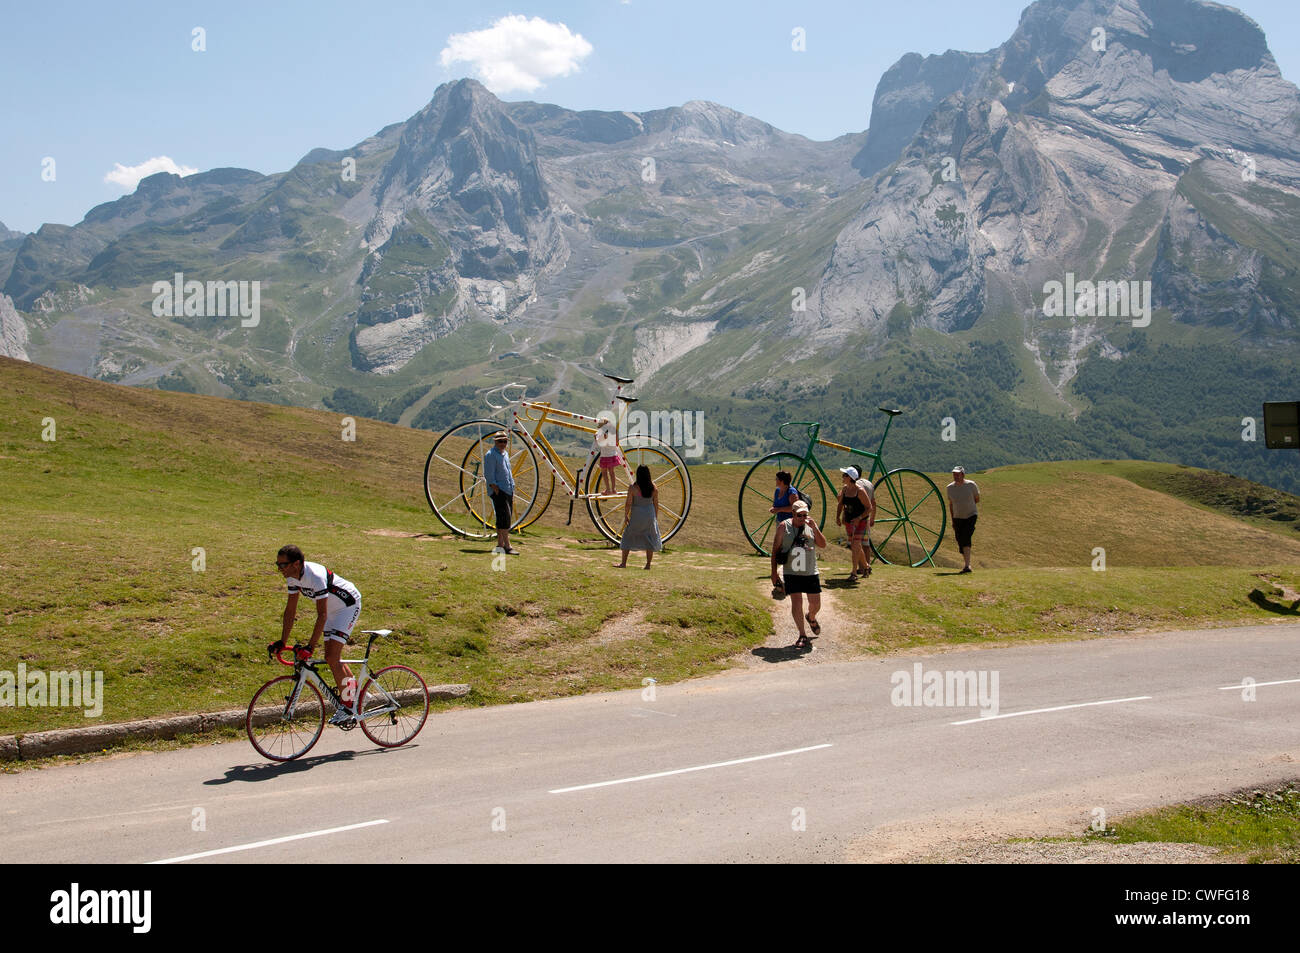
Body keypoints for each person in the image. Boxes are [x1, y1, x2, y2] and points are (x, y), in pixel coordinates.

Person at [270, 545, 362, 725]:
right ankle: (352, 694)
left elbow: (321, 615)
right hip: (331, 610)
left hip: (347, 606)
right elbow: (290, 611)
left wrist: (311, 646)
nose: (279, 569)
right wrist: (282, 641)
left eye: (283, 565)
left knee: (332, 656)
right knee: (332, 658)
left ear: (296, 564)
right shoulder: (292, 577)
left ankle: (349, 704)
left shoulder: (316, 577)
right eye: (278, 564)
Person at [770, 500, 827, 651]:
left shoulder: (810, 525)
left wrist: (815, 528)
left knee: (816, 604)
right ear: (793, 514)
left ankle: (812, 617)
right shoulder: (784, 527)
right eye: (799, 515)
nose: (803, 518)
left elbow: (823, 544)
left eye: (805, 514)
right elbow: (775, 550)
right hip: (791, 572)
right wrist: (774, 572)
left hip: (810, 571)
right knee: (797, 603)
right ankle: (802, 635)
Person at [616, 464, 662, 569]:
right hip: (649, 515)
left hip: (637, 514)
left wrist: (626, 515)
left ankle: (623, 563)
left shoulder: (633, 488)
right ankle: (648, 564)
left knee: (628, 536)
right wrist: (655, 517)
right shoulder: (654, 488)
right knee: (649, 538)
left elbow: (628, 503)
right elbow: (656, 504)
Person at [835, 466, 875, 581]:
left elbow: (869, 508)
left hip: (861, 521)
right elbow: (840, 504)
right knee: (855, 546)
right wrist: (838, 517)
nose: (842, 477)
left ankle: (854, 573)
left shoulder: (860, 491)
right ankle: (867, 566)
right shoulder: (845, 489)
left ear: (850, 478)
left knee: (856, 544)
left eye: (845, 475)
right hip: (849, 521)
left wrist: (860, 517)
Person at [483, 431, 518, 555]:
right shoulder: (490, 455)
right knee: (505, 519)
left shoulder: (505, 454)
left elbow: (508, 471)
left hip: (508, 489)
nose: (503, 443)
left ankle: (500, 545)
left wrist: (512, 486)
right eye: (500, 441)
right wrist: (495, 488)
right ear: (495, 441)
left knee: (501, 518)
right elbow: (488, 474)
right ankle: (507, 546)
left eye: (505, 441)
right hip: (499, 490)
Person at [946, 465, 980, 573]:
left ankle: (967, 566)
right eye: (954, 474)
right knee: (960, 540)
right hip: (957, 517)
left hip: (971, 515)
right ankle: (966, 564)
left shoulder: (971, 485)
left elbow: (977, 499)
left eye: (957, 474)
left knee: (966, 537)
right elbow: (951, 504)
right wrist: (952, 520)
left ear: (963, 475)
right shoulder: (950, 488)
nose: (955, 476)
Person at [595, 414, 623, 497]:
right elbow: (617, 442)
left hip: (605, 456)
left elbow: (597, 439)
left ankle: (608, 489)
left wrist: (596, 435)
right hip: (612, 455)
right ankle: (614, 489)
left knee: (604, 473)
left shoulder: (602, 435)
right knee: (612, 472)